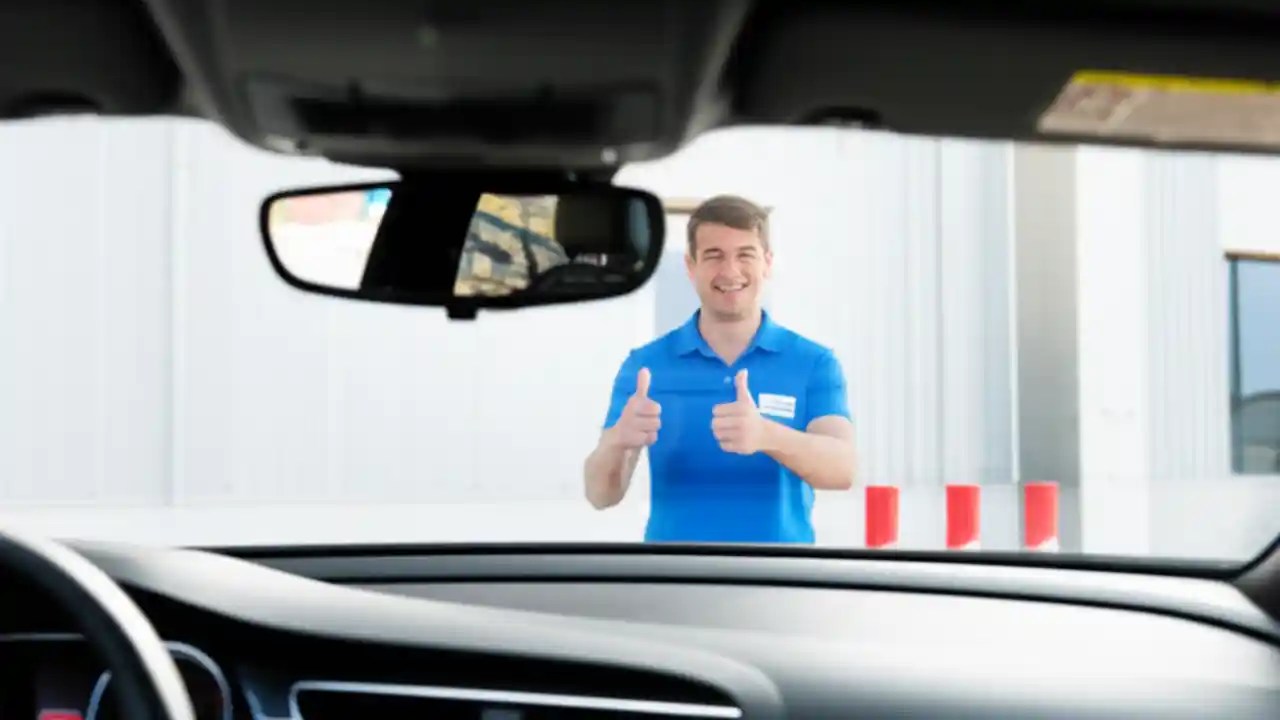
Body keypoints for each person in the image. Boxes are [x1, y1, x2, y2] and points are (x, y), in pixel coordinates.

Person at [583, 195, 857, 543]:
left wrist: (766, 435)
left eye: (745, 254)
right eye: (714, 256)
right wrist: (617, 442)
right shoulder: (645, 367)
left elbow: (842, 470)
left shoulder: (815, 363)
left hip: (781, 578)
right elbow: (600, 494)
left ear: (767, 264)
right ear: (690, 266)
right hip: (675, 579)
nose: (730, 271)